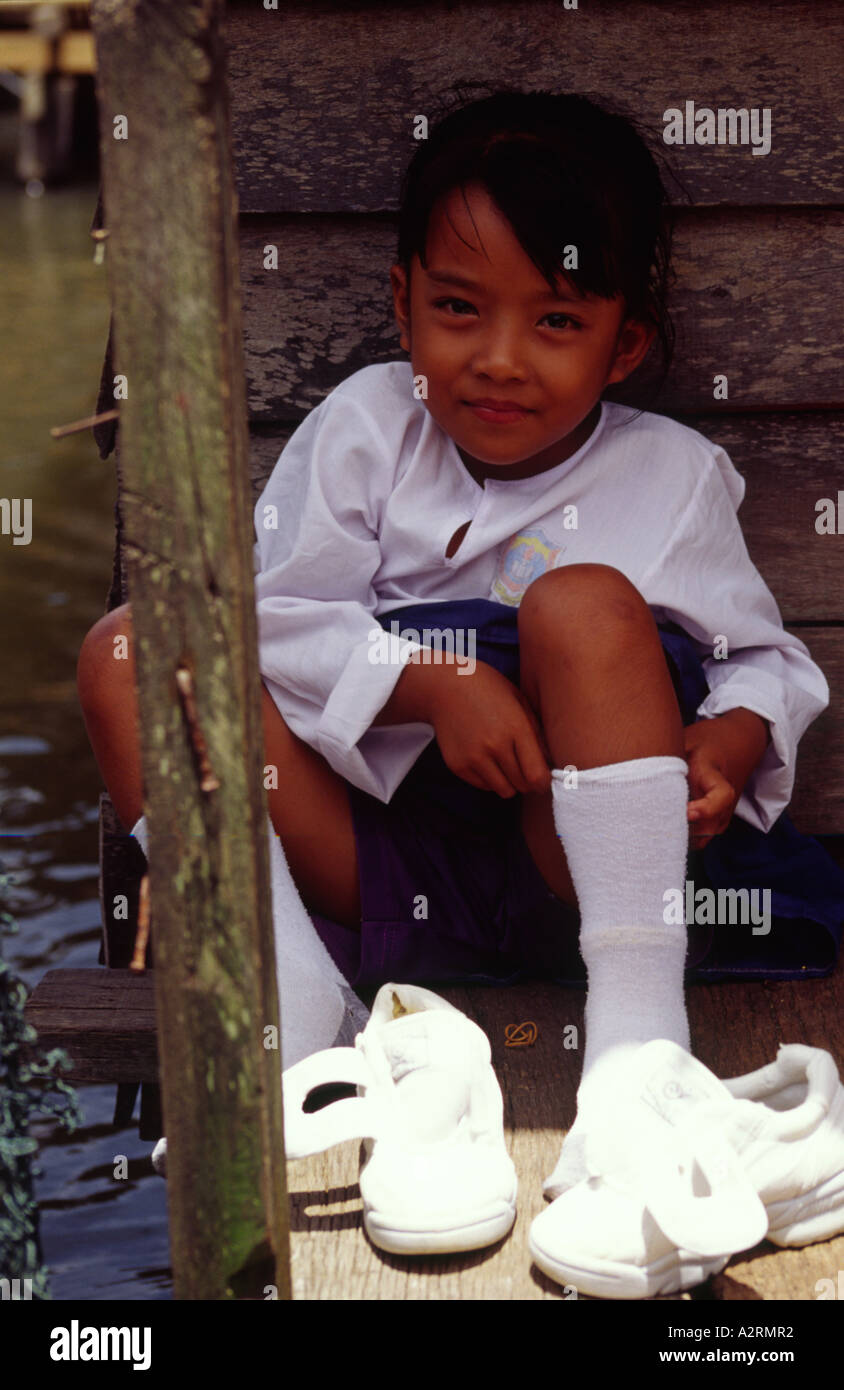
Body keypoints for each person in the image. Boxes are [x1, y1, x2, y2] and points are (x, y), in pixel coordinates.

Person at [77, 88, 844, 1274]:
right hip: (380, 864)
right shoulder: (370, 428)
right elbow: (261, 622)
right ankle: (305, 1019)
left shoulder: (672, 475)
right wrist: (423, 681)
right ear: (400, 303)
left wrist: (731, 740)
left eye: (554, 321)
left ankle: (636, 1043)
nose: (495, 359)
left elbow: (765, 660)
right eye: (455, 310)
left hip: (573, 870)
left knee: (581, 603)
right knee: (129, 650)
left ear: (622, 341)